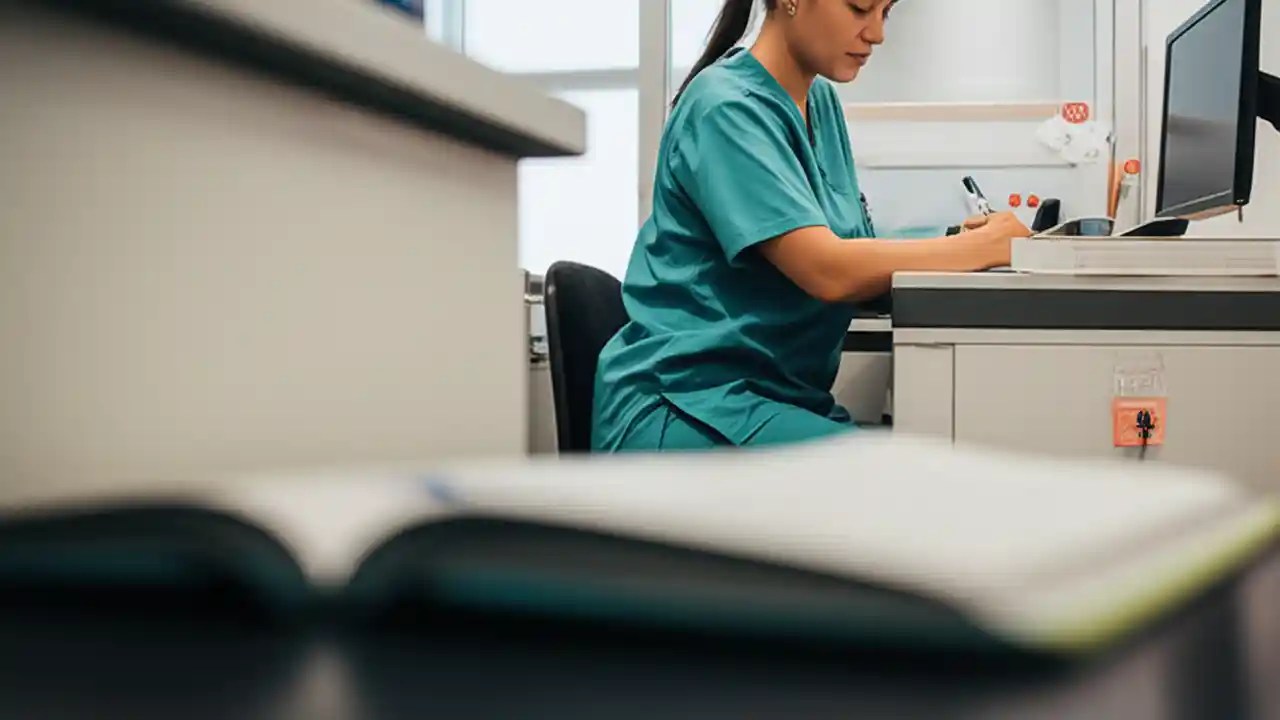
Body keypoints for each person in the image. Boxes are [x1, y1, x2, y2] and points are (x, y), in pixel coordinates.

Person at [592, 0, 1031, 452]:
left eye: (887, 13)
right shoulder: (723, 107)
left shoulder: (819, 102)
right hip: (687, 402)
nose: (877, 34)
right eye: (860, 8)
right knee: (906, 484)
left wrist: (956, 244)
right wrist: (986, 248)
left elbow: (852, 249)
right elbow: (827, 269)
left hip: (770, 401)